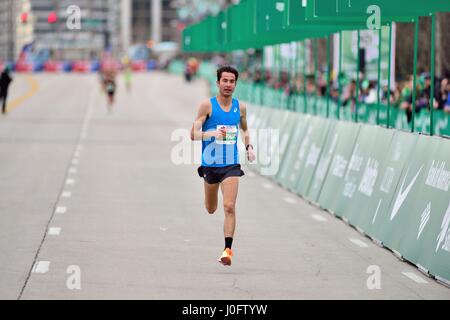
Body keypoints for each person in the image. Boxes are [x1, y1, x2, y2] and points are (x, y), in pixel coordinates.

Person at [190, 65, 255, 266]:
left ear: (236, 84)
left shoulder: (240, 107)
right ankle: (210, 198)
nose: (228, 85)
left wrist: (249, 147)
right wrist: (210, 134)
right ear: (217, 83)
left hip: (231, 164)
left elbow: (244, 130)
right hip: (210, 164)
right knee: (211, 208)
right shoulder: (207, 106)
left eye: (232, 81)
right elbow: (193, 134)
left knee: (229, 206)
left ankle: (227, 250)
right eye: (224, 81)